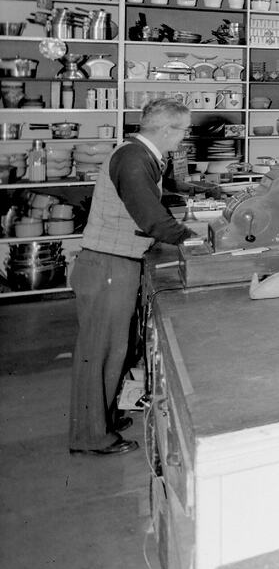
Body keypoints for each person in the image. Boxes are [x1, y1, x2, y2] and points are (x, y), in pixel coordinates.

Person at [68, 98, 200, 456]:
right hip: (108, 265)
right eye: (183, 130)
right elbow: (151, 219)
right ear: (166, 129)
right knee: (101, 352)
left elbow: (150, 200)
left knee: (116, 348)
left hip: (115, 263)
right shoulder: (133, 158)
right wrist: (197, 239)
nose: (183, 138)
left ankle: (104, 419)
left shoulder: (140, 155)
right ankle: (91, 435)